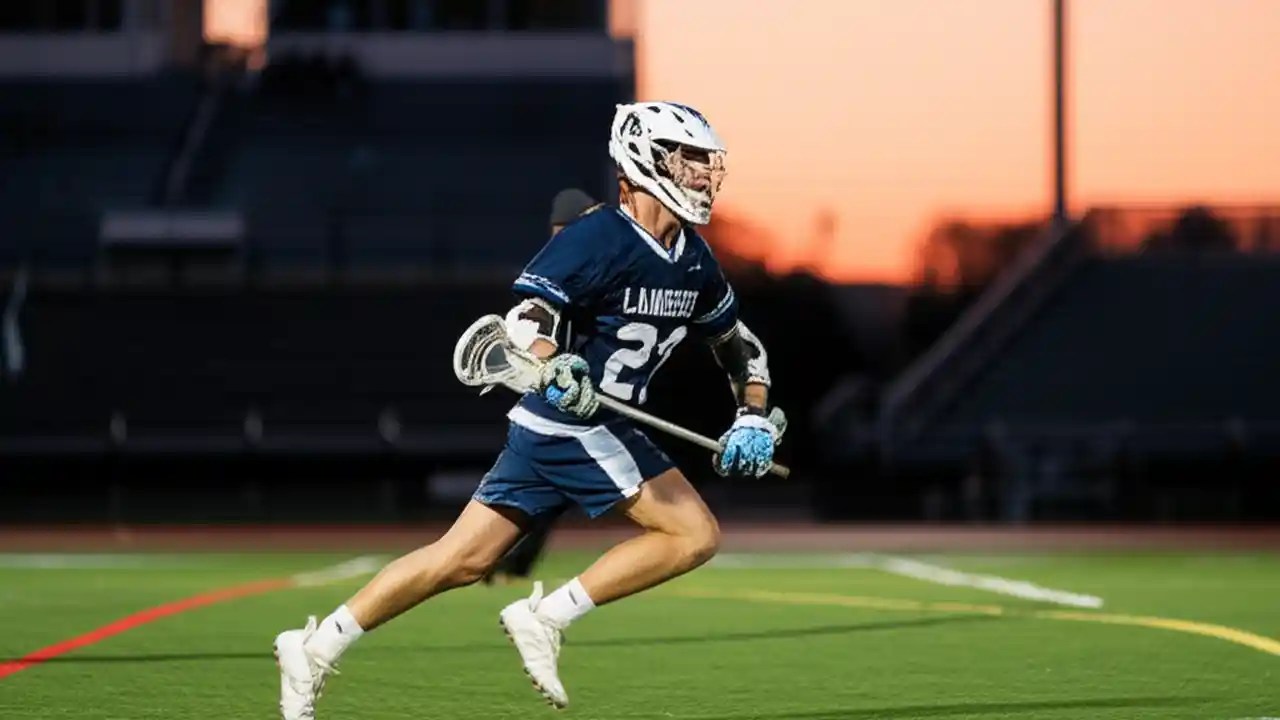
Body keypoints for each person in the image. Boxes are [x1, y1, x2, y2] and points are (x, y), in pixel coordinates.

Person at [273, 101, 785, 718]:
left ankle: (315, 645)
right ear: (646, 159)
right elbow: (527, 318)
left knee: (458, 560)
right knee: (694, 534)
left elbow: (739, 347)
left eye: (707, 164)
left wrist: (752, 414)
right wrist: (552, 361)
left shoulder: (695, 258)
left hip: (568, 426)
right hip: (578, 420)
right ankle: (545, 615)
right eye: (688, 160)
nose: (704, 175)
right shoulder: (600, 235)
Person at [482, 187, 604, 586]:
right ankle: (495, 560)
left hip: (577, 399)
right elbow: (527, 326)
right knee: (534, 493)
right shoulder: (558, 271)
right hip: (548, 402)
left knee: (543, 496)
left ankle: (500, 561)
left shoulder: (587, 268)